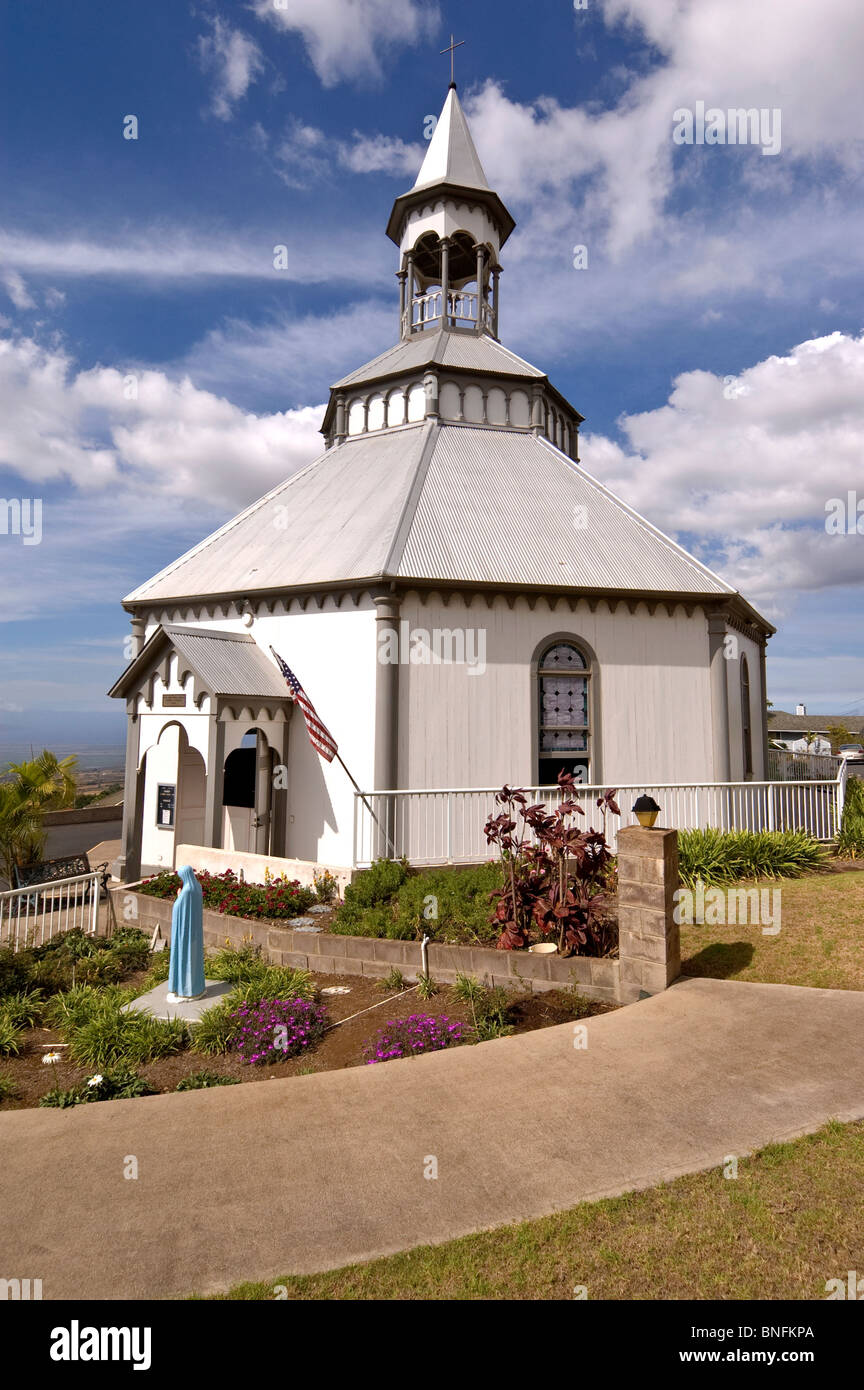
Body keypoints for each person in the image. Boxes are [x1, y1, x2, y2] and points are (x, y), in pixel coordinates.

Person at [167, 865, 206, 1001]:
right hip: (195, 931)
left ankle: (185, 989)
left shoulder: (187, 890)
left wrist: (178, 896)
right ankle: (197, 987)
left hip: (184, 931)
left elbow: (178, 908)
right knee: (194, 957)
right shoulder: (198, 887)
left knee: (184, 956)